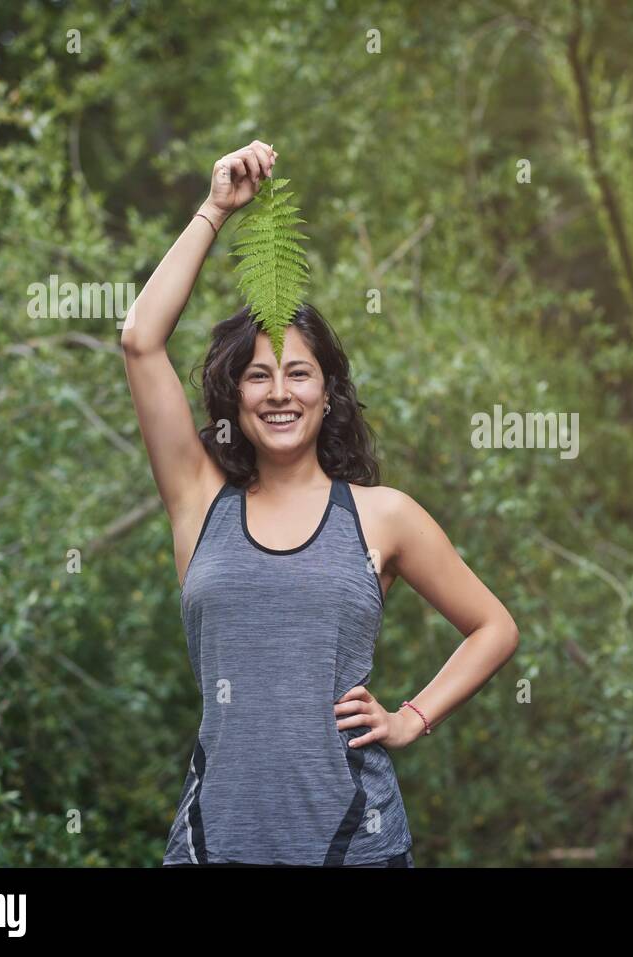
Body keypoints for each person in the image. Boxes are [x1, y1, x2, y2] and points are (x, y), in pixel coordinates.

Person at [121, 140, 520, 867]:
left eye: (299, 372)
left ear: (327, 391)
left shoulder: (382, 515)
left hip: (352, 845)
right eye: (258, 376)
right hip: (213, 844)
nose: (279, 392)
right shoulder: (198, 499)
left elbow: (493, 625)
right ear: (233, 395)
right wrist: (214, 209)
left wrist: (411, 717)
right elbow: (140, 340)